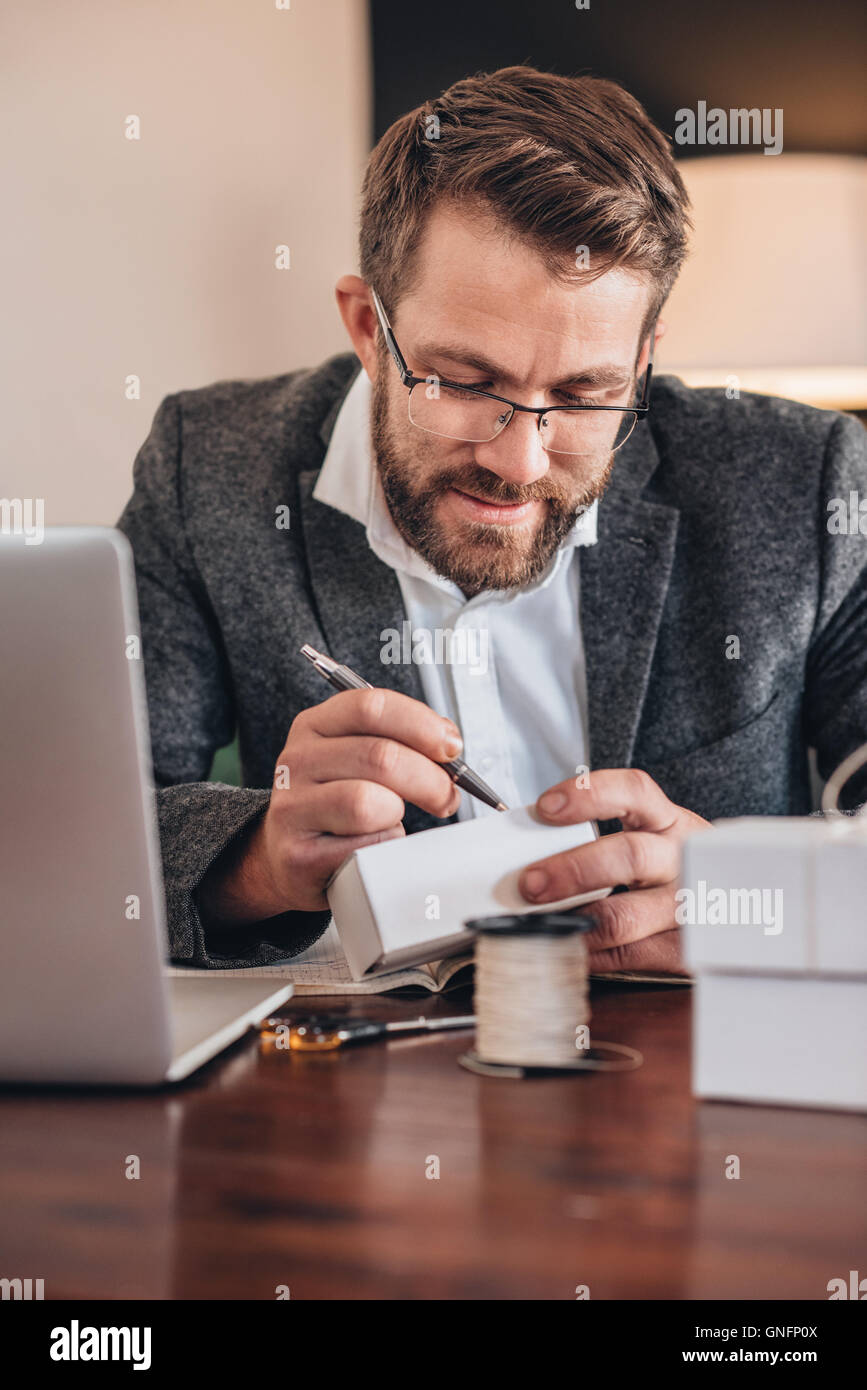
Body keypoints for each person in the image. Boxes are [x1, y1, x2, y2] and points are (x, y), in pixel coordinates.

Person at [118, 66, 867, 973]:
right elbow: (83, 827)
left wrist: (763, 896)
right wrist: (259, 861)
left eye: (586, 393)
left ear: (643, 362)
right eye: (466, 382)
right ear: (366, 328)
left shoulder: (805, 483)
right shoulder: (210, 468)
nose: (519, 463)